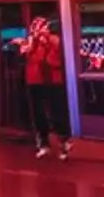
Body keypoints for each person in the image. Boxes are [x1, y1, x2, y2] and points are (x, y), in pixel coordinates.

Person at [20, 17, 73, 160]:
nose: (36, 33)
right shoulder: (31, 42)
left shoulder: (54, 40)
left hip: (53, 81)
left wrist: (46, 39)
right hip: (34, 82)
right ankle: (43, 144)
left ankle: (64, 143)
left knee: (57, 112)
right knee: (38, 115)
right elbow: (24, 53)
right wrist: (30, 44)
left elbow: (58, 57)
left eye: (39, 29)